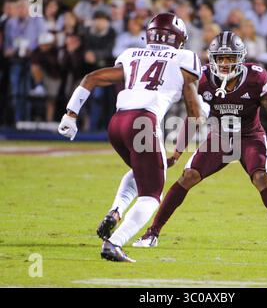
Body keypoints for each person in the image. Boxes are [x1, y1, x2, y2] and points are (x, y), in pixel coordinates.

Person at [131, 32, 267, 252]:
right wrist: (177, 154)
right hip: (219, 138)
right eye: (221, 58)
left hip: (249, 137)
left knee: (262, 178)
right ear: (212, 58)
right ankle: (152, 233)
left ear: (240, 58)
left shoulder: (256, 77)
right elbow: (194, 117)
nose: (225, 63)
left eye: (230, 58)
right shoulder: (202, 78)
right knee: (188, 176)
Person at [58, 13, 204, 262]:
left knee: (142, 173)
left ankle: (116, 211)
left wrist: (70, 115)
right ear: (179, 39)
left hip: (117, 123)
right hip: (143, 121)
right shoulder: (185, 58)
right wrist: (180, 149)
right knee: (151, 195)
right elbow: (194, 114)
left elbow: (91, 78)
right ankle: (114, 244)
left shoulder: (131, 54)